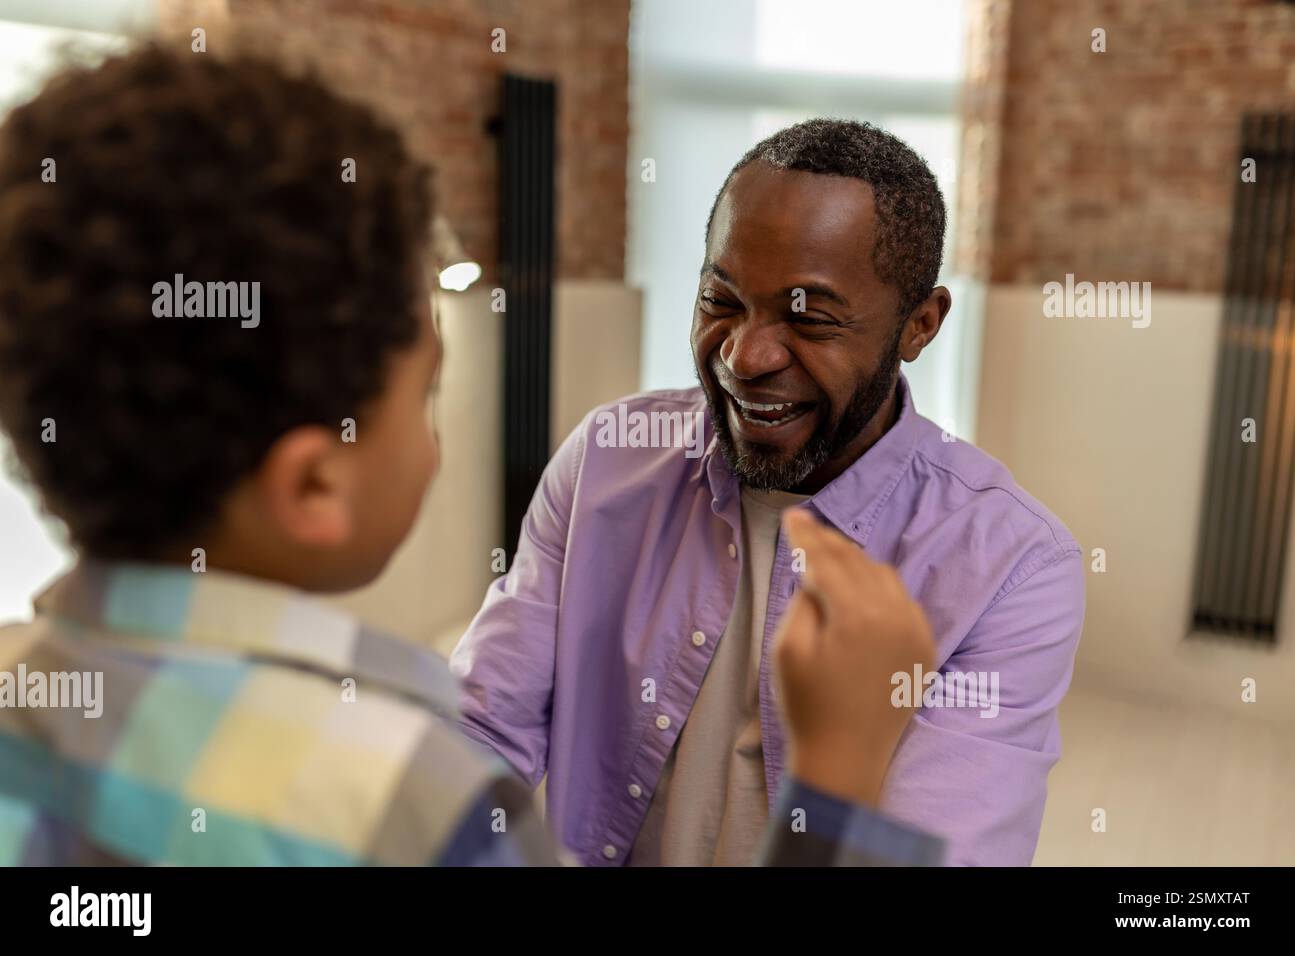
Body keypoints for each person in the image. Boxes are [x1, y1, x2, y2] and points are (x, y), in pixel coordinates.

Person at [0, 45, 941, 866]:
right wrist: (840, 792)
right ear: (315, 482)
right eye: (426, 392)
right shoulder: (407, 793)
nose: (747, 354)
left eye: (808, 315)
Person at [452, 118, 1087, 867]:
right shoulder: (606, 462)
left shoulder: (1009, 566)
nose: (744, 357)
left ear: (920, 324)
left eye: (807, 317)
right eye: (720, 300)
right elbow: (482, 733)